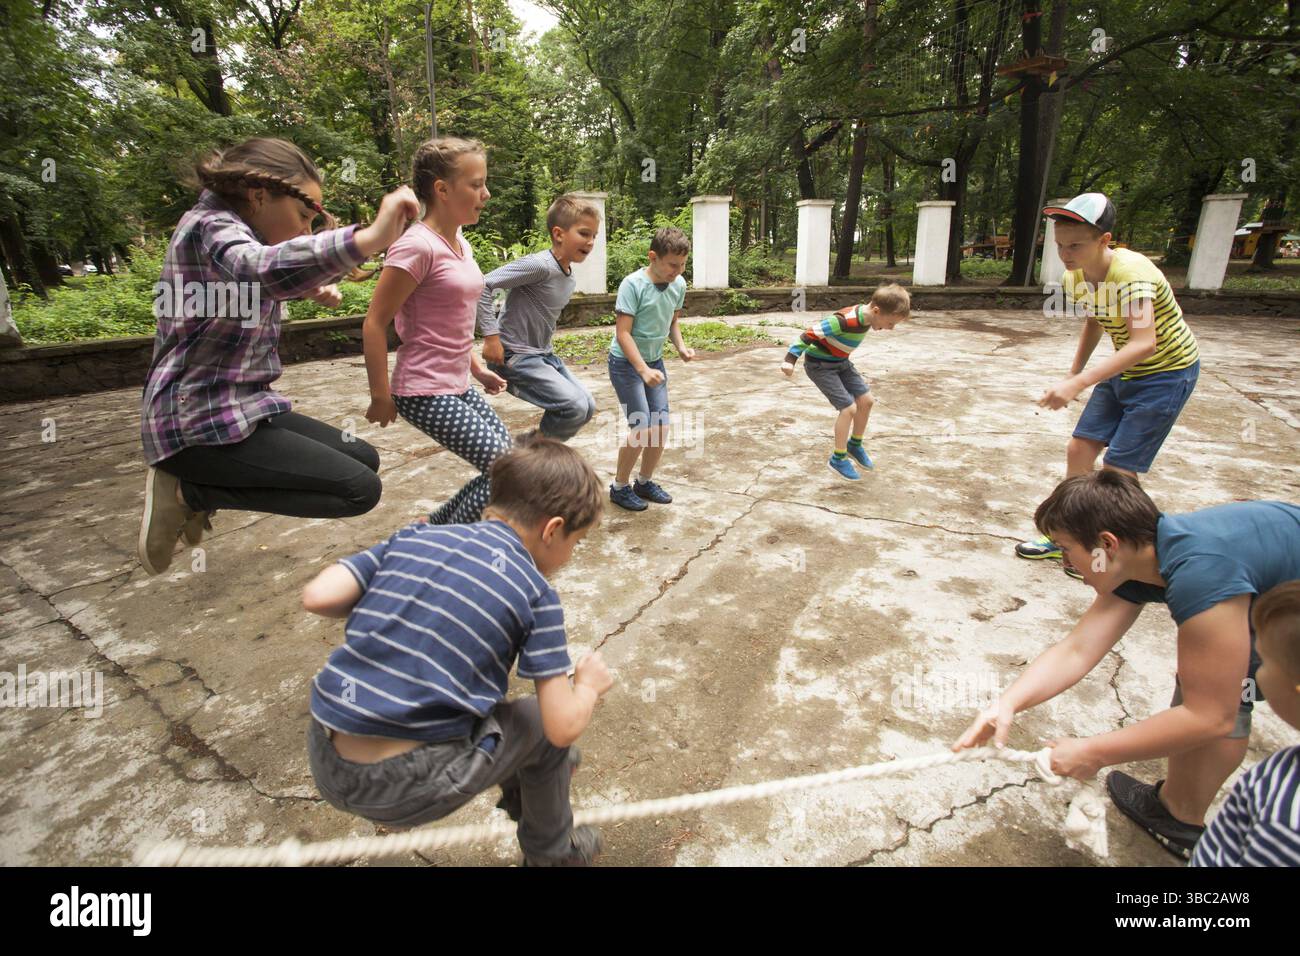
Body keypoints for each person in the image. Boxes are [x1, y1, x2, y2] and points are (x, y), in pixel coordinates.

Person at [954, 470, 1300, 860]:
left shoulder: (1201, 575)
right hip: (1277, 592)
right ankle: (1178, 813)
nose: (1064, 561)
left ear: (1105, 544)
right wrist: (1008, 703)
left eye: (1066, 548)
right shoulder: (1144, 556)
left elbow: (1211, 716)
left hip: (1286, 605)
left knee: (1217, 697)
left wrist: (1094, 752)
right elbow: (1078, 648)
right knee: (1212, 682)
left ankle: (1180, 815)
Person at [303, 436, 614, 866]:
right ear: (553, 529)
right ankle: (554, 855)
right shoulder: (536, 593)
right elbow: (561, 726)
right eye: (576, 542)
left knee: (491, 707)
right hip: (408, 786)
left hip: (325, 756)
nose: (571, 554)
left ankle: (527, 784)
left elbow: (318, 597)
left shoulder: (415, 537)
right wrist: (588, 688)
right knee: (544, 732)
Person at [138, 137, 419, 576]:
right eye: (303, 217)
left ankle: (202, 487)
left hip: (241, 407)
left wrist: (304, 285)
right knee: (358, 490)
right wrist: (372, 237)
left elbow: (251, 278)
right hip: (194, 420)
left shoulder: (238, 234)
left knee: (365, 459)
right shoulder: (210, 225)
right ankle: (191, 492)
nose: (305, 232)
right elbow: (254, 267)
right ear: (258, 195)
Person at [1015, 193, 1200, 578]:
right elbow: (1095, 321)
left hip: (1165, 374)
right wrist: (1074, 373)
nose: (1066, 254)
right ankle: (1066, 535)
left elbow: (1143, 342)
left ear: (1105, 239)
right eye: (1060, 246)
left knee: (1118, 471)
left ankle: (1124, 551)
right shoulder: (1076, 276)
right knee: (1079, 449)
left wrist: (1083, 380)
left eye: (1076, 245)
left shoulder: (1132, 273)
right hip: (1123, 372)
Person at [361, 137, 509, 525]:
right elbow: (375, 322)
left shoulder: (461, 243)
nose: (486, 194)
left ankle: (433, 528)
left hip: (457, 383)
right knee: (506, 475)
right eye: (476, 184)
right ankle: (442, 539)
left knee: (512, 466)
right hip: (423, 389)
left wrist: (476, 369)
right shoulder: (416, 247)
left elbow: (450, 324)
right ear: (442, 190)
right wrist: (380, 396)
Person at [1191, 581, 1300, 866]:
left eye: (1263, 661)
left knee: (1240, 693)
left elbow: (1216, 716)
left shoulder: (1286, 822)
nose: (1258, 667)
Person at [479, 193, 600, 440]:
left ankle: (531, 450)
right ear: (558, 234)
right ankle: (531, 457)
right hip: (514, 356)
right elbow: (484, 285)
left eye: (594, 236)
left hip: (542, 355)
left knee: (587, 407)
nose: (590, 242)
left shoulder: (567, 274)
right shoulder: (540, 265)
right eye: (584, 233)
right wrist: (491, 336)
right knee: (574, 407)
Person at [780, 284, 911, 480]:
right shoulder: (843, 320)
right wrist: (790, 360)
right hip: (820, 366)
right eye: (890, 323)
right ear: (876, 310)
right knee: (848, 408)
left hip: (841, 363)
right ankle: (838, 458)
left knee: (866, 401)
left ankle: (854, 445)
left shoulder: (869, 317)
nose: (890, 329)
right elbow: (809, 334)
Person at [606, 226, 694, 512]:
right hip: (626, 364)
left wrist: (680, 346)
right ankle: (619, 487)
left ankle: (644, 482)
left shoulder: (678, 285)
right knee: (642, 426)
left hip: (654, 363)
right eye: (672, 265)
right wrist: (642, 369)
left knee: (661, 426)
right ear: (653, 257)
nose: (678, 271)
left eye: (682, 265)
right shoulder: (632, 285)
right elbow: (623, 334)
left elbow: (672, 322)